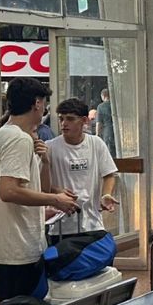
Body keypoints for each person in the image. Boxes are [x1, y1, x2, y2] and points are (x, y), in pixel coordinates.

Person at [0, 77, 77, 301]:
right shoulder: (18, 140)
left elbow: (30, 189)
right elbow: (8, 191)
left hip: (6, 248)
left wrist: (44, 161)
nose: (44, 109)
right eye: (43, 103)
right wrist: (56, 200)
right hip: (17, 250)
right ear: (36, 103)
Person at [47, 98, 120, 237]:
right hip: (59, 227)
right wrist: (57, 191)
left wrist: (106, 194)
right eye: (61, 119)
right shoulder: (50, 146)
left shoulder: (96, 143)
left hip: (93, 224)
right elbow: (41, 184)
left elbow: (109, 174)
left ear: (85, 121)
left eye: (70, 119)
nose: (64, 123)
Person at [95, 88, 116, 157]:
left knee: (109, 154)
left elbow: (99, 123)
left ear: (103, 96)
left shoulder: (101, 107)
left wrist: (97, 135)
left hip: (107, 133)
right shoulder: (116, 105)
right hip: (117, 132)